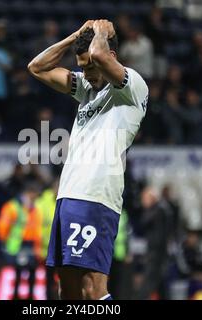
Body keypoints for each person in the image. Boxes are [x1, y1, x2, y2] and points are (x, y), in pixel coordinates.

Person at [28, 19, 149, 300]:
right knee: (68, 291)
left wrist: (102, 32)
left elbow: (98, 55)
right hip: (69, 196)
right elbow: (37, 67)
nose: (87, 74)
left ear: (112, 57)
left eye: (90, 68)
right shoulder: (88, 89)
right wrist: (75, 37)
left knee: (93, 290)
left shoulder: (132, 87)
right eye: (82, 68)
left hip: (96, 197)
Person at [0, 181, 42, 300]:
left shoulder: (35, 207)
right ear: (28, 193)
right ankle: (16, 297)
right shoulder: (13, 206)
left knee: (32, 274)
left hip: (32, 245)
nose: (34, 197)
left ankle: (30, 298)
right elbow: (2, 226)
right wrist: (5, 241)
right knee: (18, 273)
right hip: (19, 245)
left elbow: (37, 227)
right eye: (33, 194)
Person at [135, 187, 170, 300]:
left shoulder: (157, 211)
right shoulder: (159, 210)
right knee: (159, 282)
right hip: (156, 251)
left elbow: (144, 221)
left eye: (145, 198)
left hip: (156, 252)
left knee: (149, 281)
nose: (143, 201)